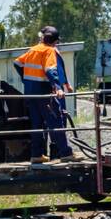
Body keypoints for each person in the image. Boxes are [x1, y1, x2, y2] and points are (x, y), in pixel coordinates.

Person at [13, 26, 73, 164]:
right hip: (44, 93)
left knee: (37, 124)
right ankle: (66, 153)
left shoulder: (33, 49)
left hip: (30, 94)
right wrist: (58, 87)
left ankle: (36, 154)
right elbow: (50, 69)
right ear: (55, 41)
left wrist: (25, 79)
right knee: (55, 121)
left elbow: (17, 63)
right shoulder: (49, 50)